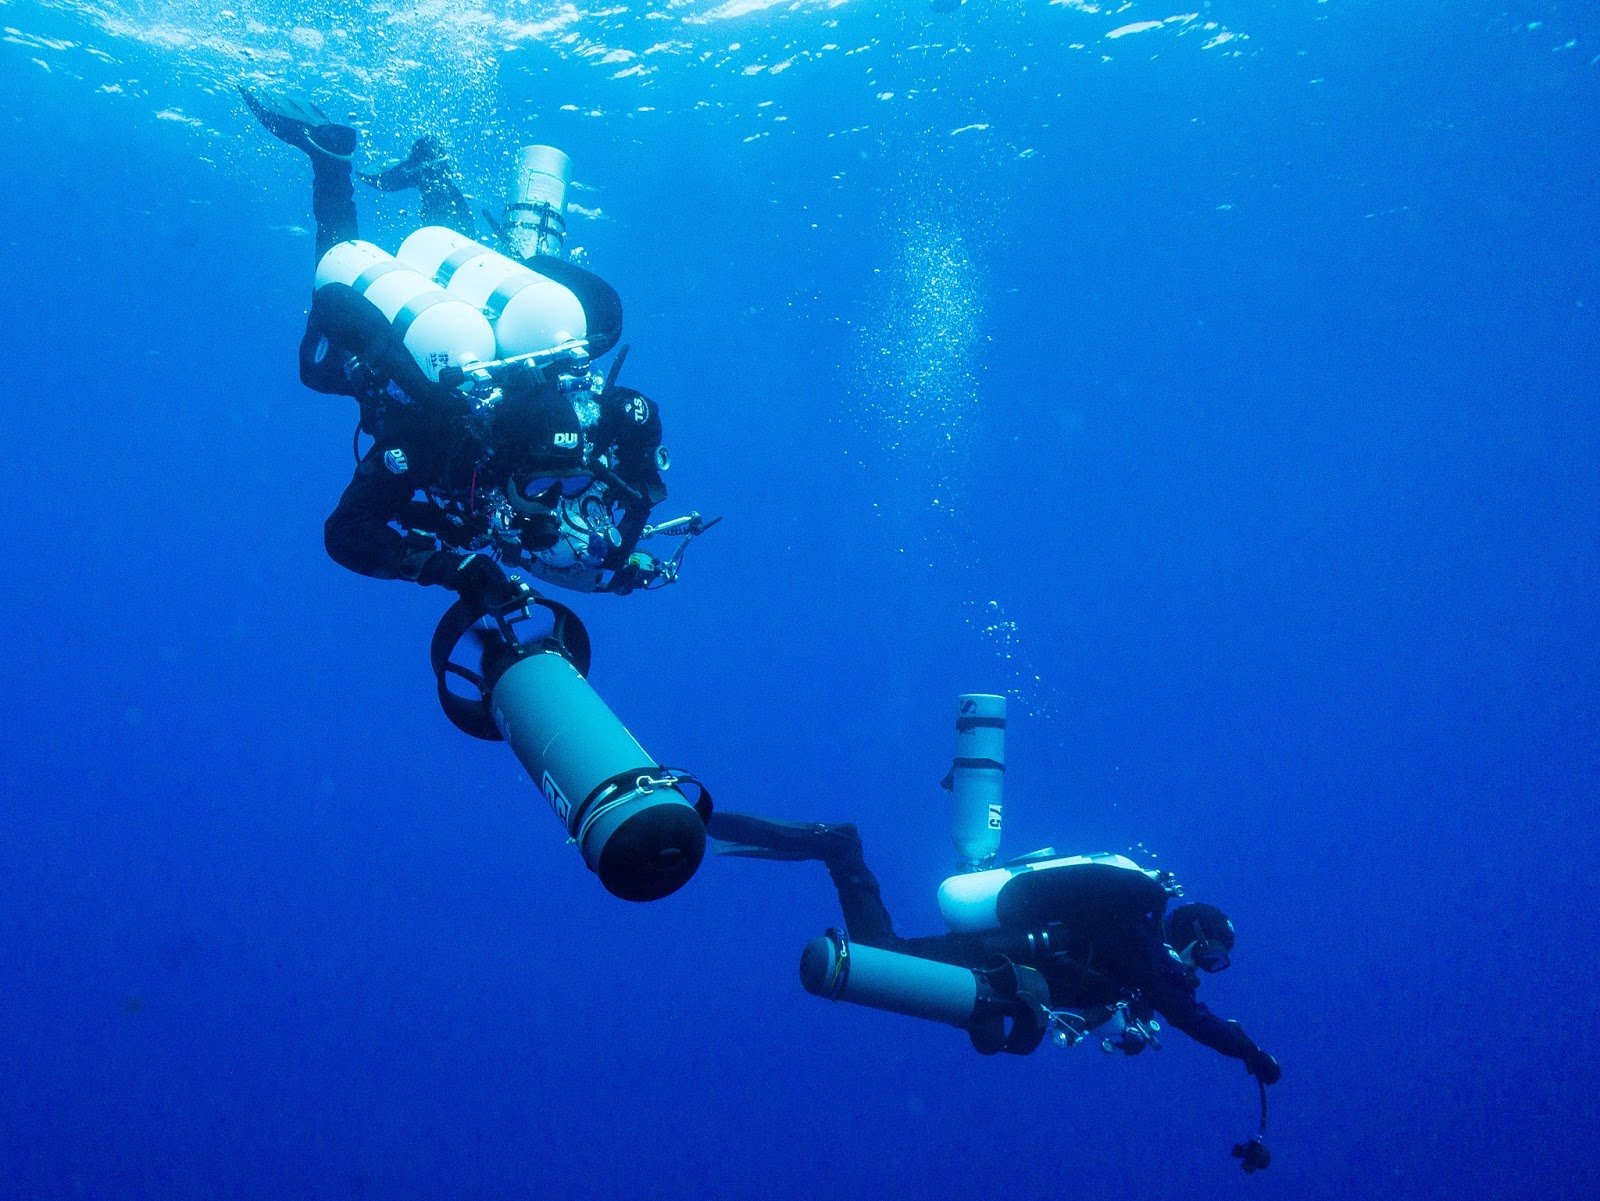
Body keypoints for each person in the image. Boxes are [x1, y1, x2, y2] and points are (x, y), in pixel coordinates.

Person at [240, 87, 675, 607]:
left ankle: (433, 171)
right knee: (337, 292)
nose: (559, 504)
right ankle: (331, 164)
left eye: (575, 483)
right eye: (542, 491)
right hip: (410, 361)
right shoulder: (430, 440)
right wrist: (450, 571)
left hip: (486, 335)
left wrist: (640, 499)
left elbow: (640, 417)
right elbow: (346, 532)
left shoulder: (586, 421)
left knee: (468, 264)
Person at [706, 811, 1282, 1084]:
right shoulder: (1139, 937)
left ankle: (839, 851)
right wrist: (1248, 1052)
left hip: (1004, 959)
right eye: (1210, 957)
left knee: (884, 949)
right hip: (1000, 956)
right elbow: (1188, 1014)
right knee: (879, 951)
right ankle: (842, 851)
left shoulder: (1133, 940)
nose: (1206, 970)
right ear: (1193, 937)